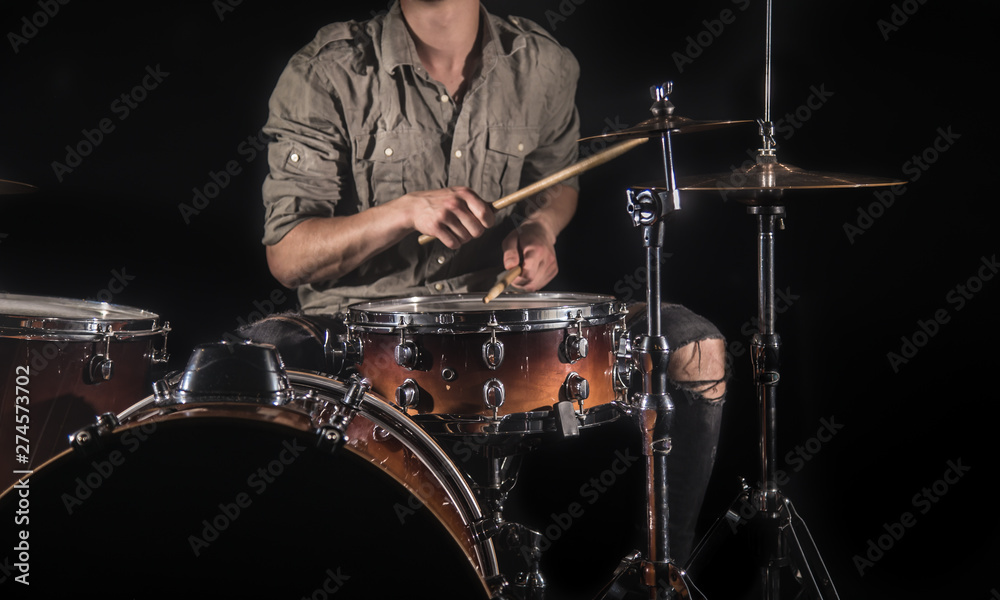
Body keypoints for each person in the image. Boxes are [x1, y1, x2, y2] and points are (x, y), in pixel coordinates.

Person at [240, 0, 727, 583]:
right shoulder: (326, 71)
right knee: (252, 363)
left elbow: (557, 183)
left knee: (694, 346)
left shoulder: (542, 63)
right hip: (361, 329)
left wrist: (539, 230)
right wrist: (402, 212)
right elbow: (288, 254)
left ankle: (662, 581)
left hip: (499, 320)